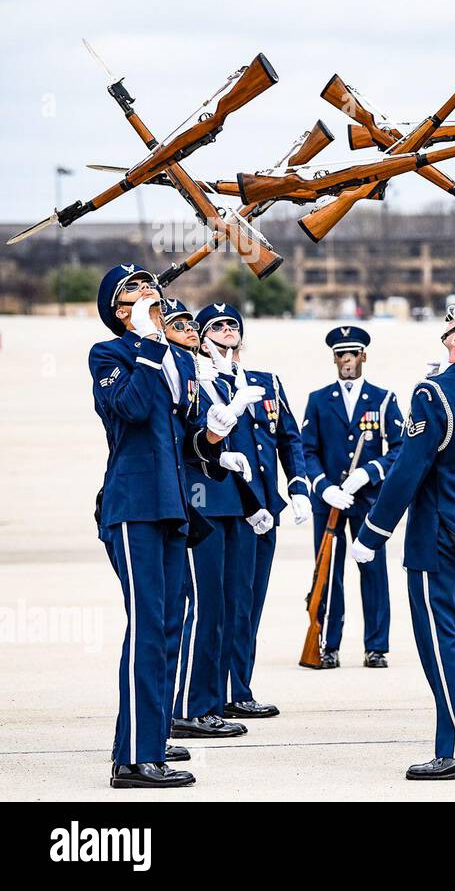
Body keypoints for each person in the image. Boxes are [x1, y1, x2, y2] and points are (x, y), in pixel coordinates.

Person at [90, 266, 254, 787]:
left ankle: (150, 738)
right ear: (120, 312)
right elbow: (132, 412)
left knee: (167, 628)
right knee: (146, 628)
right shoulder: (110, 355)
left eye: (149, 288)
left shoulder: (173, 361)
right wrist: (142, 341)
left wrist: (215, 436)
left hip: (172, 507)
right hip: (133, 506)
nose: (150, 295)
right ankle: (134, 760)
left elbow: (186, 444)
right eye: (135, 292)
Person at [352, 288, 455, 781]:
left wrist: (373, 532)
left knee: (441, 643)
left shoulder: (433, 393)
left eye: (450, 323)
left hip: (436, 533)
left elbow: (408, 470)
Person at [195, 302, 310, 719]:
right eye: (217, 326)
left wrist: (298, 487)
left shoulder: (266, 383)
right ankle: (222, 690)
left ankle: (239, 686)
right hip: (227, 507)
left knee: (251, 602)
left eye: (231, 324)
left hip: (266, 506)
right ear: (204, 339)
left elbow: (288, 438)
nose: (227, 330)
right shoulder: (202, 382)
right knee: (228, 602)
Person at [160, 298, 253, 742]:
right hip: (199, 503)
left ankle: (209, 703)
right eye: (199, 325)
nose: (198, 332)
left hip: (231, 502)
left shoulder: (223, 377)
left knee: (222, 608)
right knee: (202, 607)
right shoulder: (189, 378)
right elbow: (185, 442)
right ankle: (189, 707)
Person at [301, 326, 405, 669]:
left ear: (364, 356)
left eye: (353, 354)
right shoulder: (318, 400)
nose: (347, 360)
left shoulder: (384, 398)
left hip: (368, 500)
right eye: (341, 355)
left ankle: (376, 646)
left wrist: (368, 472)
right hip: (330, 501)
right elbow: (307, 450)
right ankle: (328, 644)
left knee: (373, 571)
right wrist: (323, 485)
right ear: (334, 359)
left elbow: (400, 449)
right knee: (328, 575)